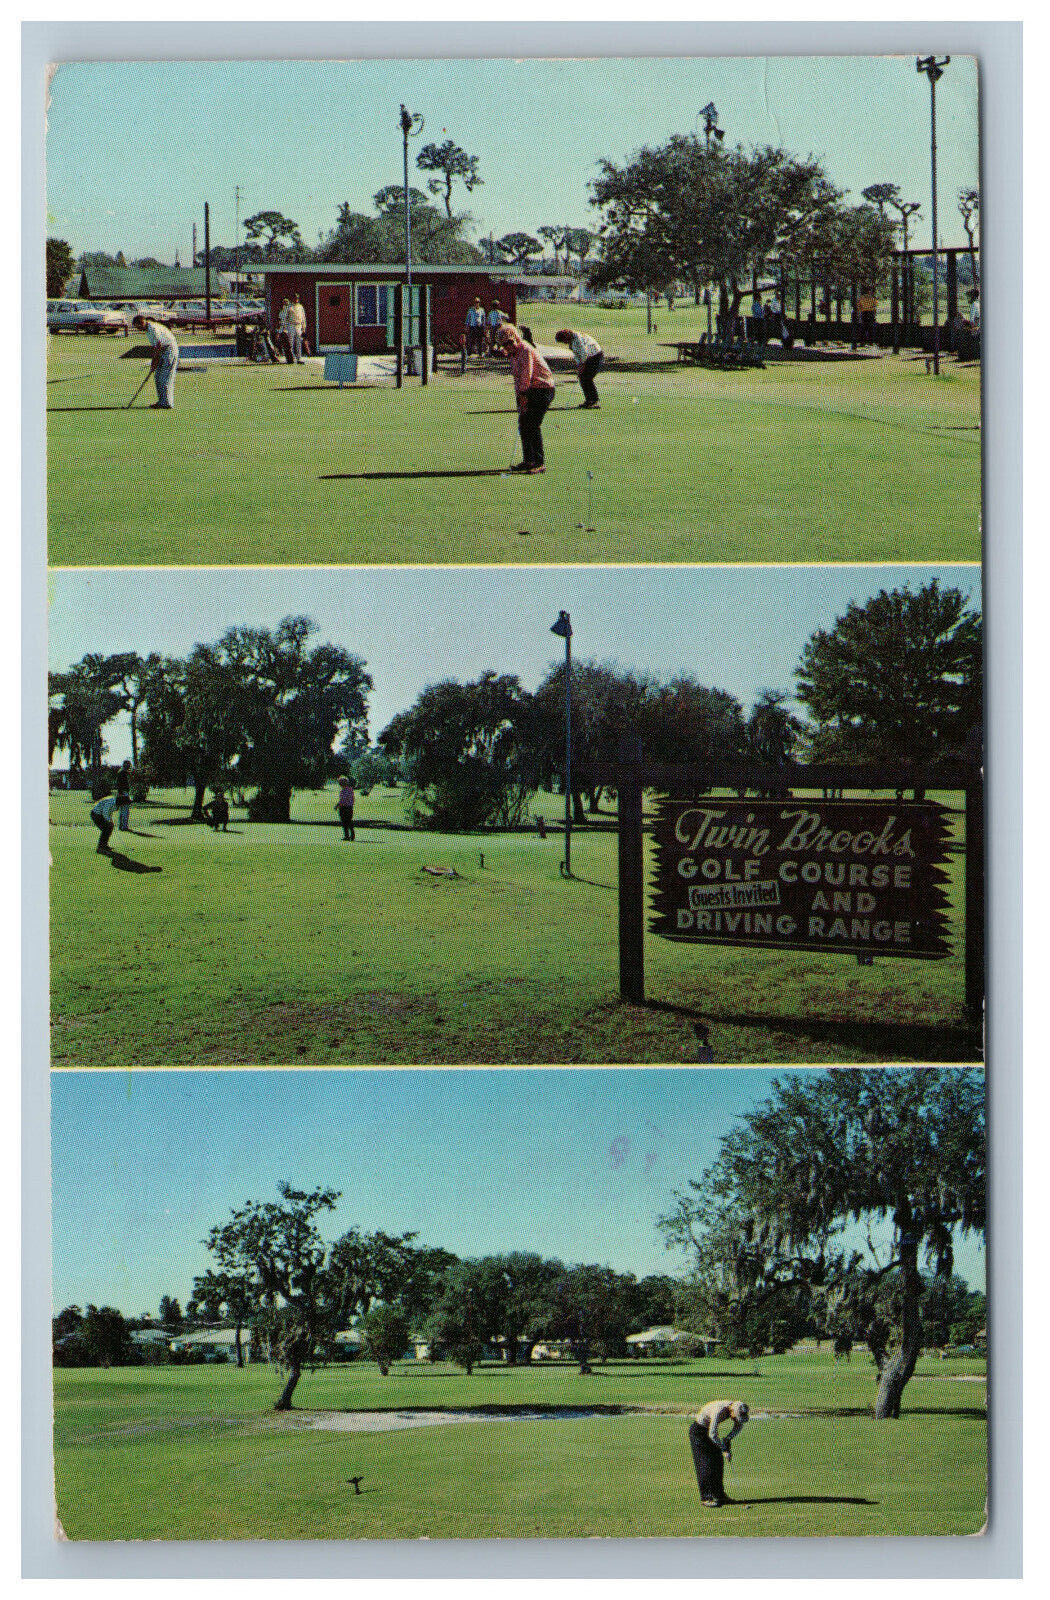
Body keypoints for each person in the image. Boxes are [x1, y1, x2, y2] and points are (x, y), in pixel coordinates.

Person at [498, 324, 556, 474]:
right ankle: (528, 460)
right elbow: (517, 378)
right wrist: (519, 397)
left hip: (543, 389)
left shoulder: (525, 350)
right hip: (529, 389)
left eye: (510, 342)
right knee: (523, 423)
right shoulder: (513, 355)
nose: (508, 346)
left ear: (516, 338)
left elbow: (526, 375)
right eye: (504, 344)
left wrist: (524, 395)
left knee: (532, 424)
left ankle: (539, 462)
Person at [688, 1399, 749, 1508]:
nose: (735, 1419)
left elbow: (738, 1426)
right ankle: (706, 1498)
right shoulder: (719, 1410)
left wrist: (728, 1439)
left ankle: (719, 1495)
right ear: (732, 1411)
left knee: (718, 1462)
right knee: (705, 1463)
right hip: (699, 1432)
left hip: (709, 1432)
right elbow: (712, 1434)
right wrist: (724, 1449)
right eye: (735, 1417)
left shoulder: (736, 1411)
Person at [132, 314, 179, 409]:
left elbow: (158, 345)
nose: (138, 329)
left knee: (165, 377)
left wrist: (154, 362)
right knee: (157, 376)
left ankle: (167, 403)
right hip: (162, 350)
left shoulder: (153, 328)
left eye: (138, 327)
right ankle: (162, 401)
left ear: (141, 323)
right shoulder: (147, 329)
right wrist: (154, 362)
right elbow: (155, 347)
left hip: (169, 350)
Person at [554, 327, 604, 409]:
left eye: (563, 341)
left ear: (566, 338)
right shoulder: (572, 340)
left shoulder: (577, 339)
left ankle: (594, 401)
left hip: (596, 356)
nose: (564, 343)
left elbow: (583, 354)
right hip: (590, 357)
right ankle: (590, 400)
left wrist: (582, 365)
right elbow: (577, 355)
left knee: (587, 378)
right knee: (583, 377)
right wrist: (579, 366)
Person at [335, 775, 356, 841]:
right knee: (349, 821)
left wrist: (337, 806)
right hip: (350, 807)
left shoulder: (344, 791)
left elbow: (342, 800)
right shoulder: (350, 790)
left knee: (345, 822)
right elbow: (352, 799)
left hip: (344, 808)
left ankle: (347, 836)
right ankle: (352, 835)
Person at [115, 760, 133, 832]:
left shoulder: (120, 772)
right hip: (123, 793)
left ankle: (121, 826)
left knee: (122, 811)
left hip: (121, 793)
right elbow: (122, 784)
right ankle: (124, 826)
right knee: (125, 811)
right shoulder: (123, 773)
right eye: (128, 765)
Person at [289, 294, 307, 363]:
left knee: (299, 342)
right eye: (295, 298)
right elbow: (285, 317)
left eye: (297, 298)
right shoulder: (289, 307)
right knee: (291, 343)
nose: (296, 299)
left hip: (299, 326)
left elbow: (303, 317)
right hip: (291, 325)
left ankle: (299, 358)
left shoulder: (300, 307)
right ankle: (292, 358)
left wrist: (304, 328)